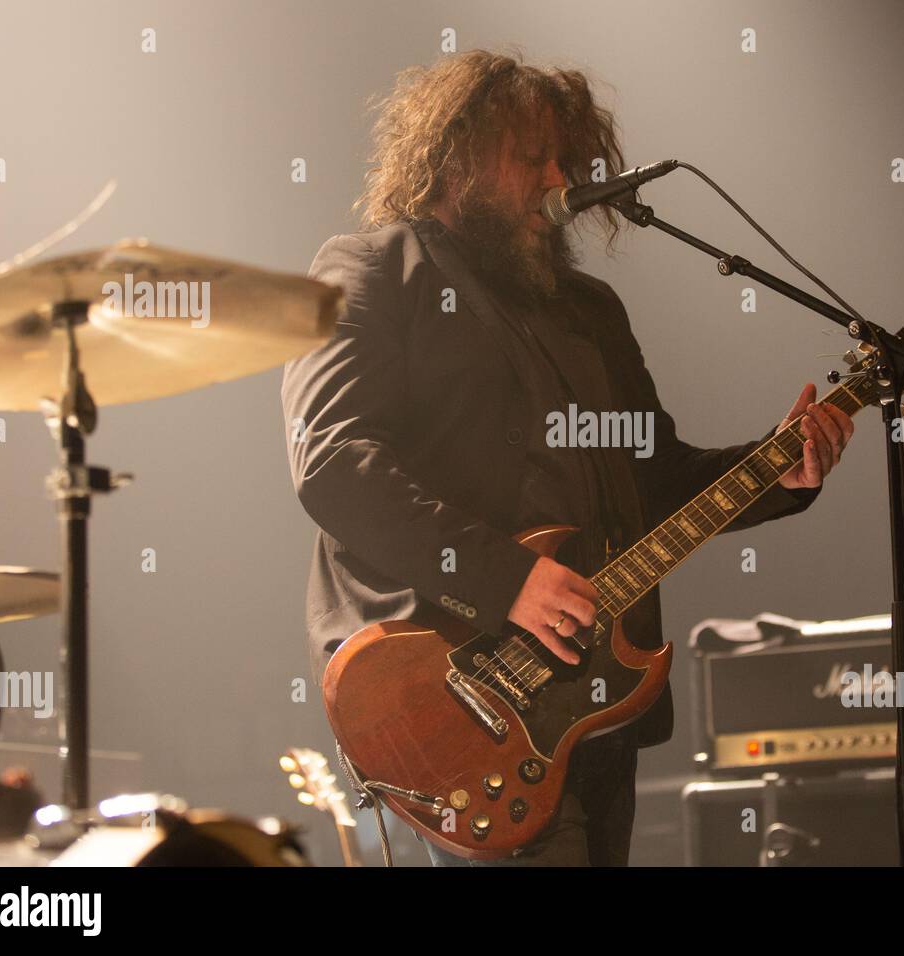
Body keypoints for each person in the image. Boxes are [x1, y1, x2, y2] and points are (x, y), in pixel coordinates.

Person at [281, 49, 854, 866]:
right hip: (454, 702)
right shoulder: (373, 269)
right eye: (533, 155)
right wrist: (505, 577)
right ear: (458, 157)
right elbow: (332, 462)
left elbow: (652, 482)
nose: (559, 178)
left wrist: (778, 471)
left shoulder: (588, 310)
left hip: (591, 708)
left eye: (568, 158)